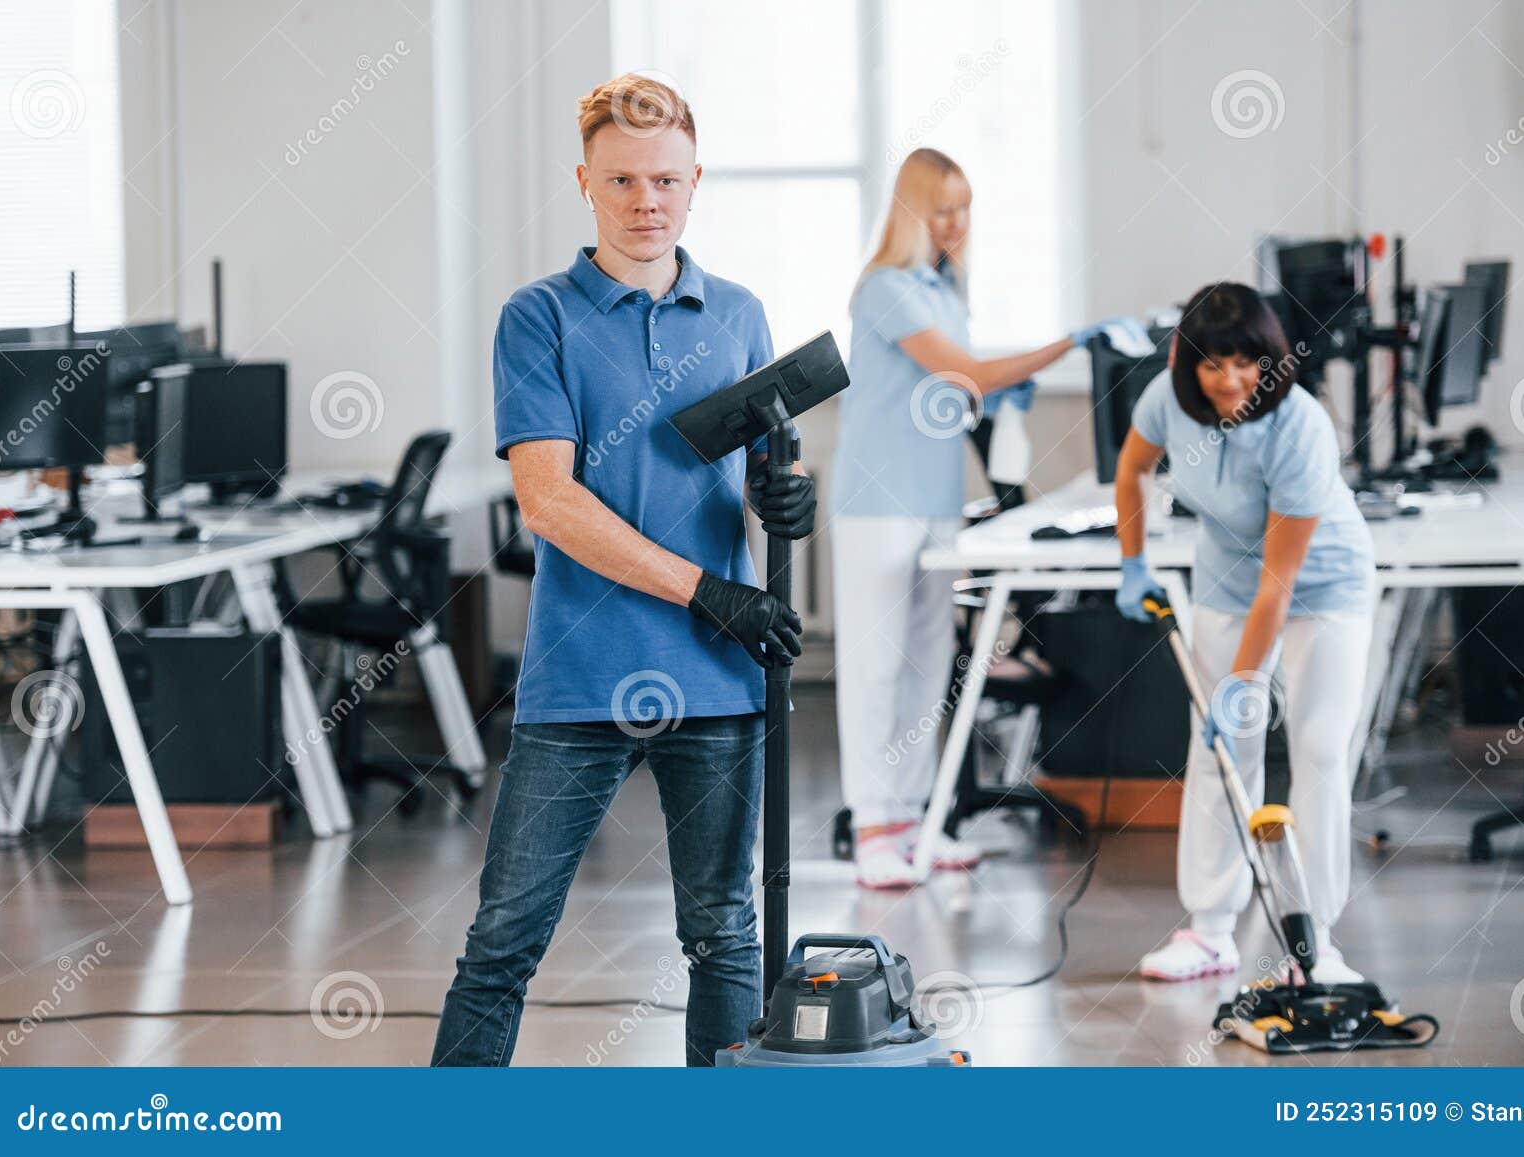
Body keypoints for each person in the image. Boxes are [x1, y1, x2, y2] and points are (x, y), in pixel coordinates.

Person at [431, 74, 817, 1067]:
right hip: (582, 672)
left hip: (717, 678)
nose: (647, 201)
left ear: (695, 182)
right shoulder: (539, 317)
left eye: (666, 180)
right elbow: (549, 502)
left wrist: (784, 498)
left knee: (723, 932)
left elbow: (761, 467)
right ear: (584, 183)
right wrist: (709, 591)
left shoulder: (738, 314)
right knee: (504, 939)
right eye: (622, 181)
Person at [828, 146, 1132, 890]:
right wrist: (1069, 344)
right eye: (942, 210)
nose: (956, 223)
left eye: (964, 208)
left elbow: (958, 390)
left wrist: (997, 399)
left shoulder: (945, 291)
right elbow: (962, 370)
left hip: (935, 499)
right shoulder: (884, 288)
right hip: (876, 503)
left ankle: (915, 820)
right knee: (876, 668)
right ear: (912, 212)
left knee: (926, 665)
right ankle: (871, 827)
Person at [1113, 282, 1376, 983]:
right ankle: (1210, 931)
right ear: (1185, 360)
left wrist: (1243, 683)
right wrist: (1133, 562)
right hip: (1227, 582)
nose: (1230, 379)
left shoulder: (1300, 427)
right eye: (1213, 363)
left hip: (1324, 586)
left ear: (1272, 359)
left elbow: (1279, 584)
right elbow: (1133, 468)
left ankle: (1316, 943)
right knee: (1222, 751)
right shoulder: (1168, 400)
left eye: (1246, 362)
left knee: (1320, 749)